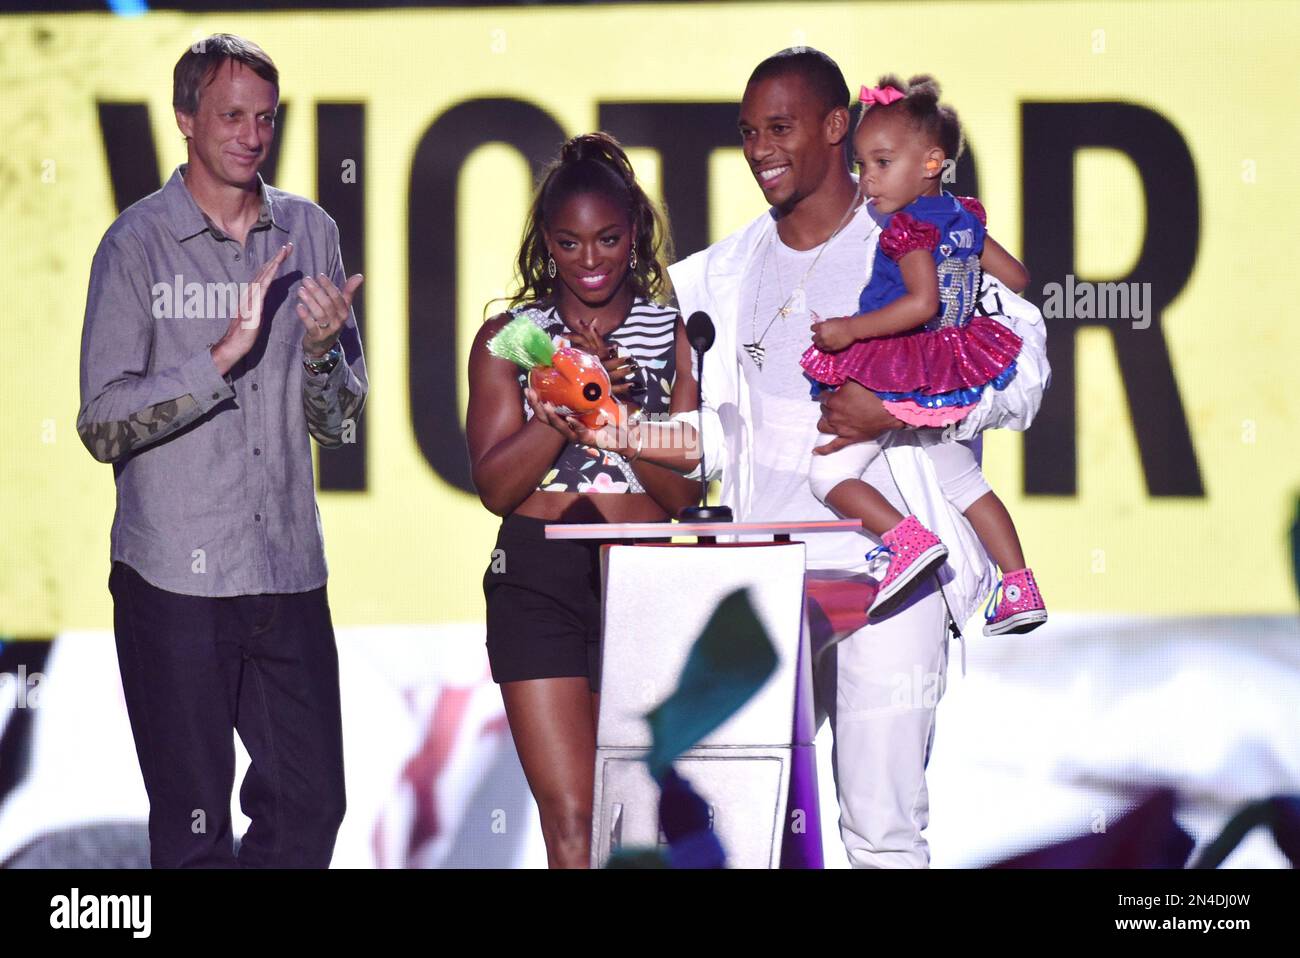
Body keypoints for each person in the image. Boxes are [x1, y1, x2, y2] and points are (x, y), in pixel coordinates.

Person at [553, 49, 1049, 867]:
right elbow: (716, 439)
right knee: (736, 825)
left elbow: (1019, 374)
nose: (759, 149)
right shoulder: (720, 273)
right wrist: (611, 431)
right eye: (748, 132)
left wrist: (893, 407)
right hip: (767, 575)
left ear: (835, 128)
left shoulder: (918, 230)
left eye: (779, 128)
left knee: (882, 831)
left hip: (893, 575)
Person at [77, 34, 367, 867]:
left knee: (312, 807)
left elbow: (340, 421)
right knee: (195, 828)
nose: (251, 135)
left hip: (284, 569)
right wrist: (219, 360)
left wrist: (320, 352)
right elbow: (100, 421)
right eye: (231, 115)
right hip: (174, 580)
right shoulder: (135, 246)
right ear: (185, 120)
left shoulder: (311, 231)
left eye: (265, 119)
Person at [466, 132, 699, 868]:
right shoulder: (512, 339)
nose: (590, 260)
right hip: (537, 580)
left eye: (607, 239)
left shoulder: (678, 333)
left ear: (635, 233)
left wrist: (618, 425)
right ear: (545, 242)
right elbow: (497, 487)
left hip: (647, 577)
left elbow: (686, 495)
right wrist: (556, 416)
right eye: (568, 243)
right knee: (570, 818)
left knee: (641, 818)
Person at [799, 74, 1047, 635]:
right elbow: (1019, 278)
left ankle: (906, 541)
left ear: (932, 161)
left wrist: (849, 329)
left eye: (883, 163)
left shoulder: (906, 228)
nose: (867, 181)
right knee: (964, 482)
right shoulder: (964, 216)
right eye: (862, 164)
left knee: (828, 471)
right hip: (951, 361)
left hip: (900, 361)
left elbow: (919, 303)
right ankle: (1018, 584)